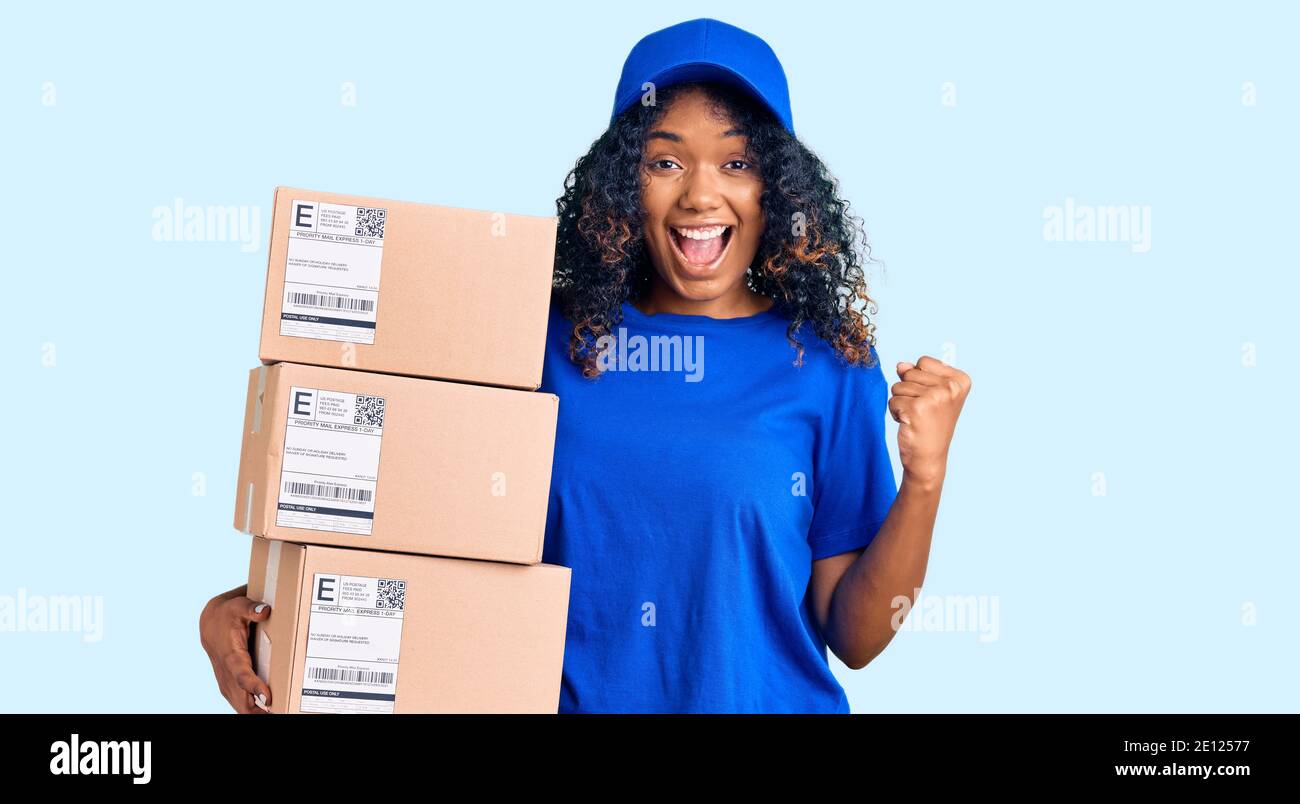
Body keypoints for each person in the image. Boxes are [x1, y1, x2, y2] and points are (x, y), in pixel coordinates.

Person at [200, 17, 971, 714]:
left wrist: (926, 480)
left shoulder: (827, 363)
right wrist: (245, 610)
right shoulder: (534, 342)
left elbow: (857, 636)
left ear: (777, 187)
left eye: (736, 162)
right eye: (665, 160)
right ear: (620, 183)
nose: (702, 194)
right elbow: (413, 514)